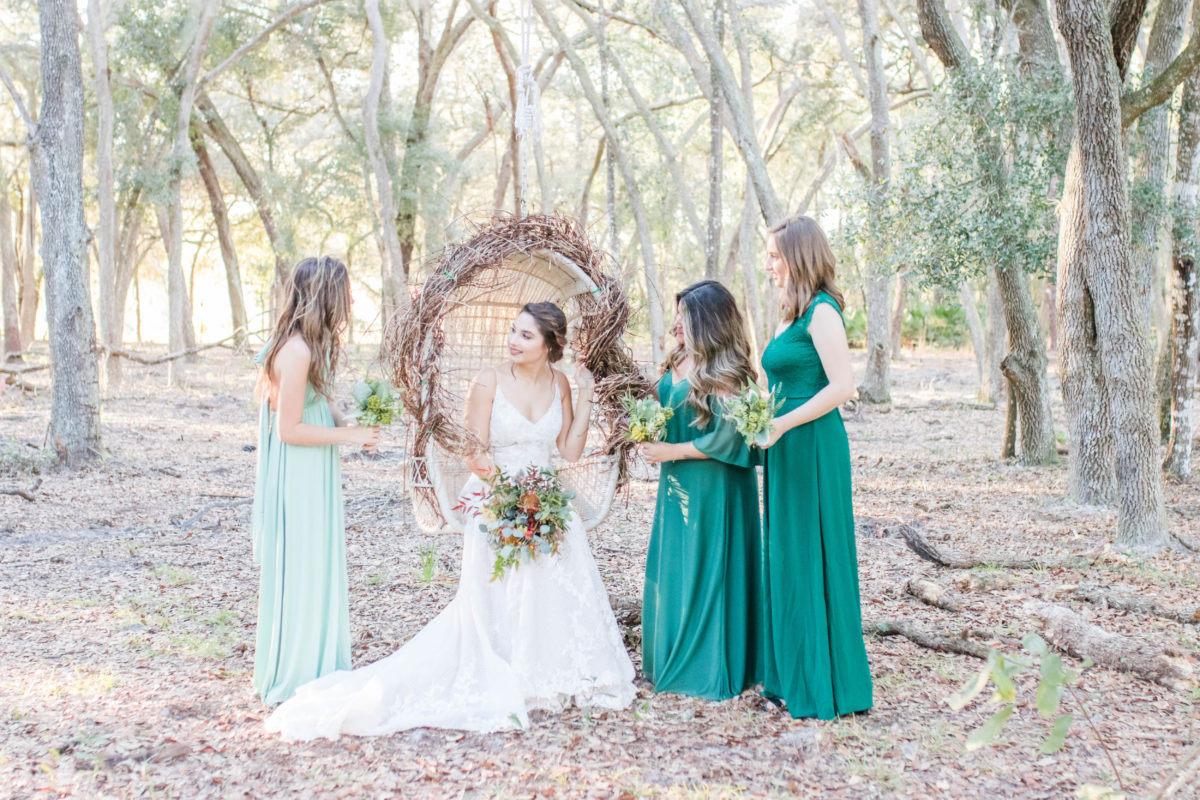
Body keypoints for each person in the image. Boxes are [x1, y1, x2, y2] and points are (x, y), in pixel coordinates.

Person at [264, 301, 635, 740]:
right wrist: (514, 500)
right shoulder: (489, 380)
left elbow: (570, 451)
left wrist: (587, 396)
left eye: (526, 336)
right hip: (495, 491)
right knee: (502, 550)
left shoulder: (561, 384)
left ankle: (552, 667)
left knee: (565, 539)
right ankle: (505, 665)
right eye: (513, 331)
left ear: (551, 344)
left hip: (545, 493)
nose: (513, 341)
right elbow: (473, 452)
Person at [252, 255, 381, 706]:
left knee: (318, 561)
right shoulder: (296, 350)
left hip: (315, 466)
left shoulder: (310, 344)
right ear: (324, 296)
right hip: (300, 472)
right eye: (344, 294)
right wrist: (349, 437)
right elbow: (288, 429)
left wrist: (350, 422)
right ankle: (300, 668)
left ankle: (320, 661)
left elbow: (318, 401)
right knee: (304, 564)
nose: (349, 303)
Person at [758, 216, 873, 719]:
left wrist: (782, 423)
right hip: (783, 445)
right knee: (788, 553)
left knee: (814, 552)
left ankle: (826, 682)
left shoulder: (823, 311)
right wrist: (757, 412)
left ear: (798, 257)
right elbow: (778, 382)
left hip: (812, 445)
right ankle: (792, 672)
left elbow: (843, 387)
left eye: (775, 256)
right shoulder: (791, 314)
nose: (769, 265)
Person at [640, 280, 764, 700]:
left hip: (717, 487)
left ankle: (709, 666)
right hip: (676, 485)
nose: (676, 323)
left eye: (685, 316)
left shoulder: (727, 373)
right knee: (678, 564)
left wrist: (670, 450)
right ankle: (670, 655)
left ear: (708, 322)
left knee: (710, 567)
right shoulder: (676, 361)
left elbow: (729, 438)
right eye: (676, 315)